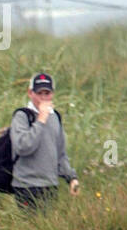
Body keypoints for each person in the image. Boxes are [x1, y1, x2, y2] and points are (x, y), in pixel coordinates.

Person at [9, 72, 80, 212]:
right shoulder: (22, 116)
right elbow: (23, 147)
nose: (43, 97)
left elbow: (60, 153)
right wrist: (40, 120)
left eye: (47, 93)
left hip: (49, 186)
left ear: (52, 94)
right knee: (29, 229)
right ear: (30, 93)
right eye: (39, 93)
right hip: (26, 186)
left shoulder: (55, 117)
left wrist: (71, 178)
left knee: (48, 229)